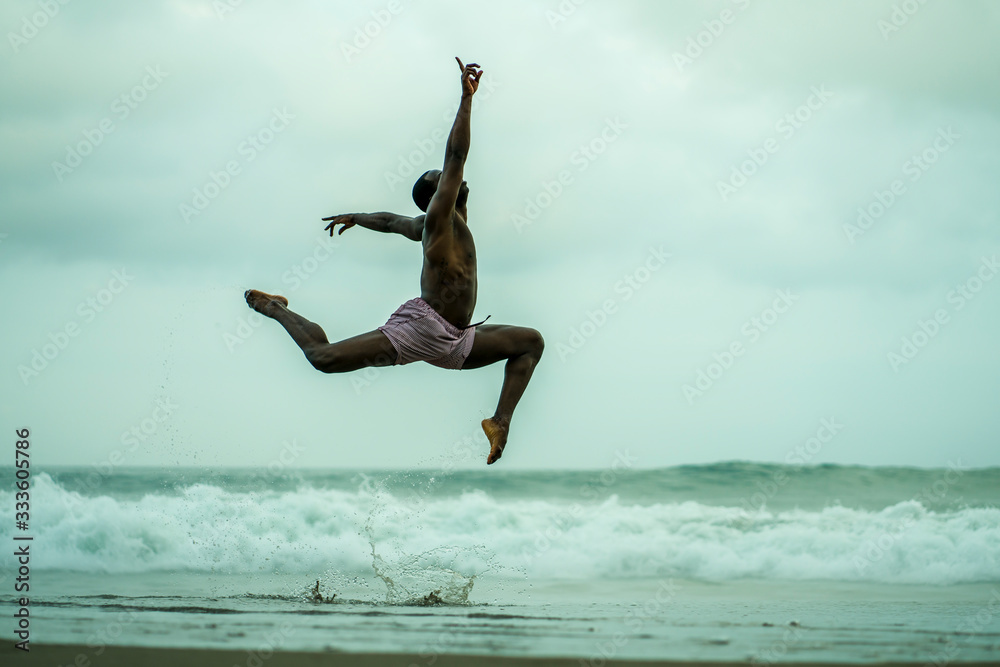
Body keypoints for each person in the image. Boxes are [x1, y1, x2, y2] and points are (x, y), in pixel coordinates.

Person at [245, 58, 543, 464]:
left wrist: (356, 217)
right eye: (444, 179)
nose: (455, 179)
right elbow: (456, 155)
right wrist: (466, 100)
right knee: (323, 358)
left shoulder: (444, 221)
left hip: (456, 340)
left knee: (530, 342)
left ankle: (500, 423)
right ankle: (273, 306)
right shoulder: (437, 218)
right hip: (423, 328)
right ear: (436, 195)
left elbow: (389, 221)